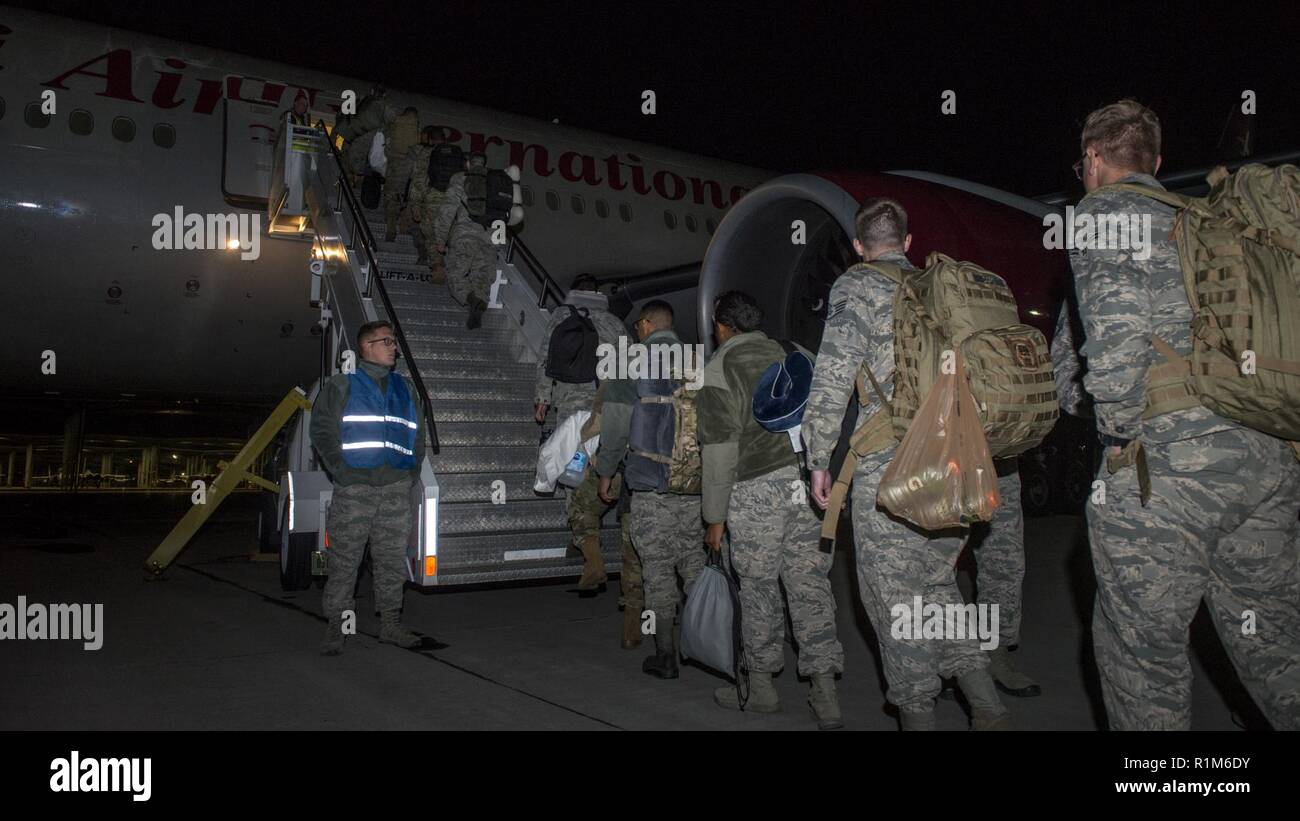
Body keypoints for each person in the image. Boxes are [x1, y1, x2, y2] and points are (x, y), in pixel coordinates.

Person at [1071, 99, 1300, 730]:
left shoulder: (1103, 212)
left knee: (1143, 652)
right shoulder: (1200, 217)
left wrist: (1118, 439)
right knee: (1275, 641)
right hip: (1265, 449)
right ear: (1158, 161)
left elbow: (1117, 341)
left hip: (1170, 467)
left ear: (1092, 159)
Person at [802, 198, 1012, 730]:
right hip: (959, 461)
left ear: (857, 247)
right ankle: (987, 706)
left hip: (892, 465)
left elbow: (830, 378)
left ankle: (919, 716)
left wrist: (818, 457)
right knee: (938, 587)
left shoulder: (855, 286)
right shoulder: (939, 290)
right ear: (909, 242)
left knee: (898, 603)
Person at [698, 290, 845, 728]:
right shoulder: (796, 351)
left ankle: (761, 688)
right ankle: (826, 694)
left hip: (756, 492)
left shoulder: (720, 368)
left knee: (759, 589)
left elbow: (720, 452)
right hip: (808, 487)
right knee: (810, 586)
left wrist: (714, 518)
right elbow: (829, 416)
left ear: (721, 326)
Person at [594, 300, 705, 678]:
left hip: (650, 487)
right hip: (693, 486)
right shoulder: (697, 361)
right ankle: (710, 640)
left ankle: (665, 654)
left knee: (656, 569)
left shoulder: (631, 359)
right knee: (693, 563)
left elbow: (615, 426)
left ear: (644, 325)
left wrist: (606, 473)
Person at [310, 320, 429, 655]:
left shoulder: (405, 388)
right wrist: (342, 471)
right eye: (386, 341)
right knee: (345, 560)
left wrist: (410, 472)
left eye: (393, 341)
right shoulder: (341, 386)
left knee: (391, 560)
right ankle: (336, 626)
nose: (393, 347)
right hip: (355, 489)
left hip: (394, 489)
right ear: (367, 347)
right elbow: (321, 431)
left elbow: (417, 435)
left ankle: (390, 624)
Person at [533, 275, 631, 594]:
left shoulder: (562, 316)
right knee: (604, 465)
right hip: (605, 405)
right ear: (598, 293)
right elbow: (630, 366)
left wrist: (542, 399)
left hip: (571, 406)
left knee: (572, 470)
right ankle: (591, 533)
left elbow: (546, 359)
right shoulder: (614, 321)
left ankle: (583, 543)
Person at [433, 151, 498, 329]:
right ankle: (480, 302)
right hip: (490, 236)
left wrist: (441, 238)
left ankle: (471, 299)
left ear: (467, 163)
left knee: (456, 273)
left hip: (465, 234)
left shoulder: (461, 178)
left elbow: (447, 211)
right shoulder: (495, 182)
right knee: (482, 277)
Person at [381, 107, 421, 242]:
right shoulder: (415, 129)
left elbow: (386, 147)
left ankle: (391, 227)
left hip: (394, 167)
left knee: (391, 197)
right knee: (404, 199)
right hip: (409, 170)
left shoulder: (395, 124)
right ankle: (404, 226)